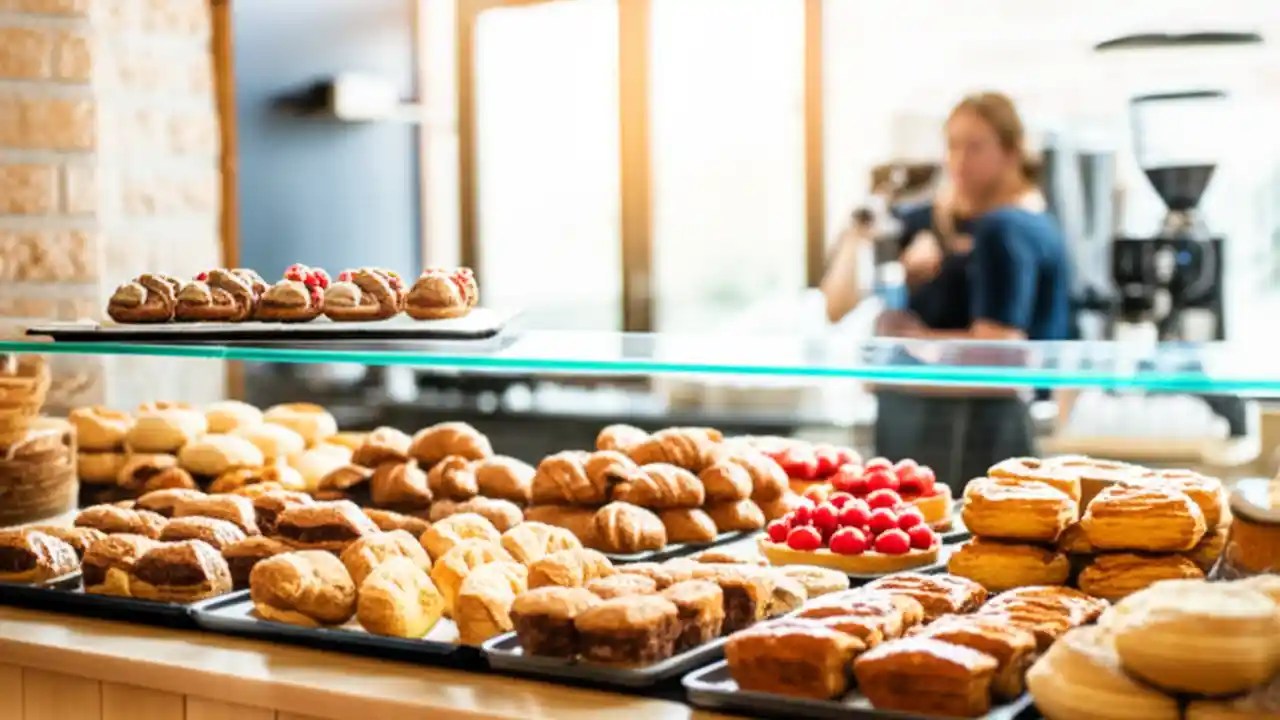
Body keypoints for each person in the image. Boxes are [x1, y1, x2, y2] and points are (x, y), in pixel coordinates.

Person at [821, 92, 1071, 489]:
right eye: (952, 145)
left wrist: (911, 342)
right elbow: (836, 306)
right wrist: (861, 233)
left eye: (975, 147)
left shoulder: (1006, 229)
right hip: (923, 425)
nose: (958, 160)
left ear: (1010, 153)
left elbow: (999, 346)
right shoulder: (941, 223)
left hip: (972, 429)